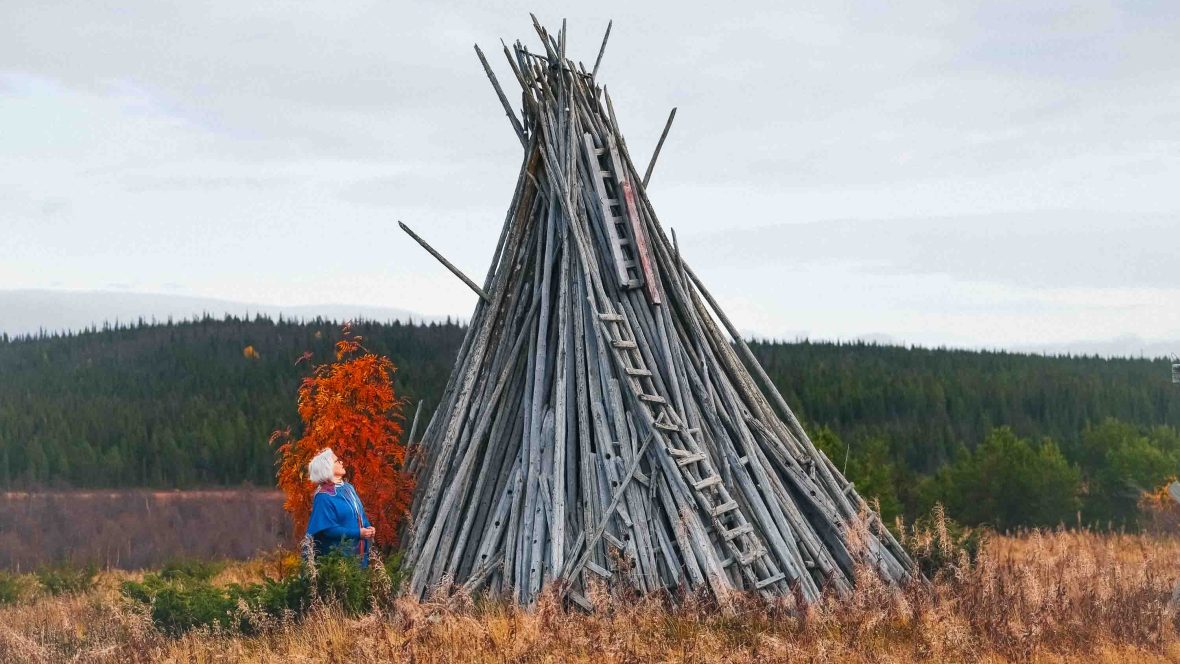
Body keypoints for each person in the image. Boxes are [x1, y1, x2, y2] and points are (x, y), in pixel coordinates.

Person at [305, 447, 375, 567]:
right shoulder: (323, 497)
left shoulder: (348, 488)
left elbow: (359, 514)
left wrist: (368, 526)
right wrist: (358, 533)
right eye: (337, 461)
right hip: (338, 560)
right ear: (327, 468)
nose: (341, 462)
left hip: (359, 556)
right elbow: (328, 530)